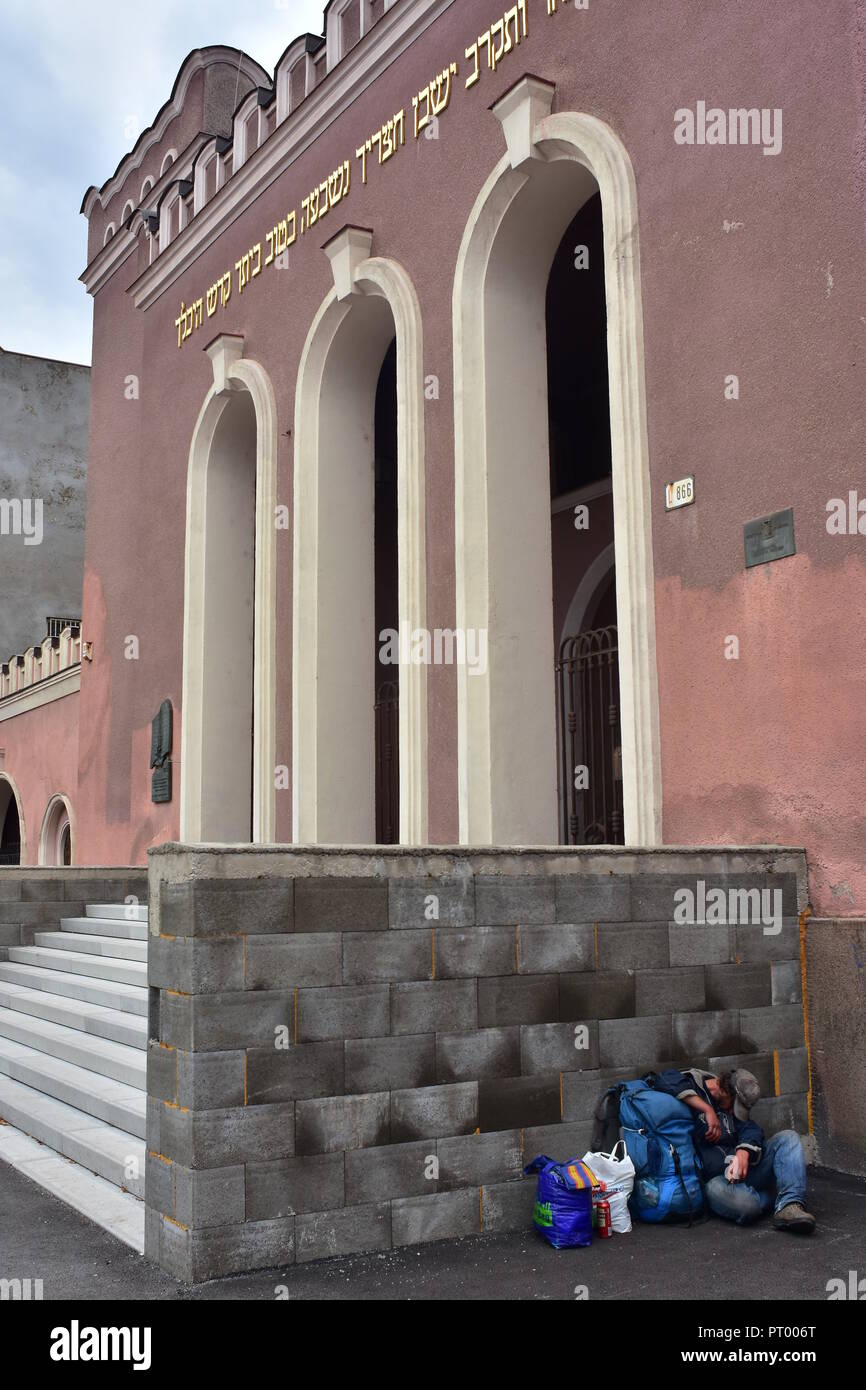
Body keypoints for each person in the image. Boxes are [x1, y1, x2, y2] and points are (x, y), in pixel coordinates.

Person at [651, 1066, 816, 1233]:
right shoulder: (693, 1085)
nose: (732, 1112)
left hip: (741, 1172)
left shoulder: (733, 1109)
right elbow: (665, 1079)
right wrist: (707, 1109)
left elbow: (751, 1129)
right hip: (715, 1181)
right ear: (724, 1091)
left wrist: (743, 1152)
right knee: (747, 1206)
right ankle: (774, 1196)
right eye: (734, 1106)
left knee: (788, 1138)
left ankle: (788, 1207)